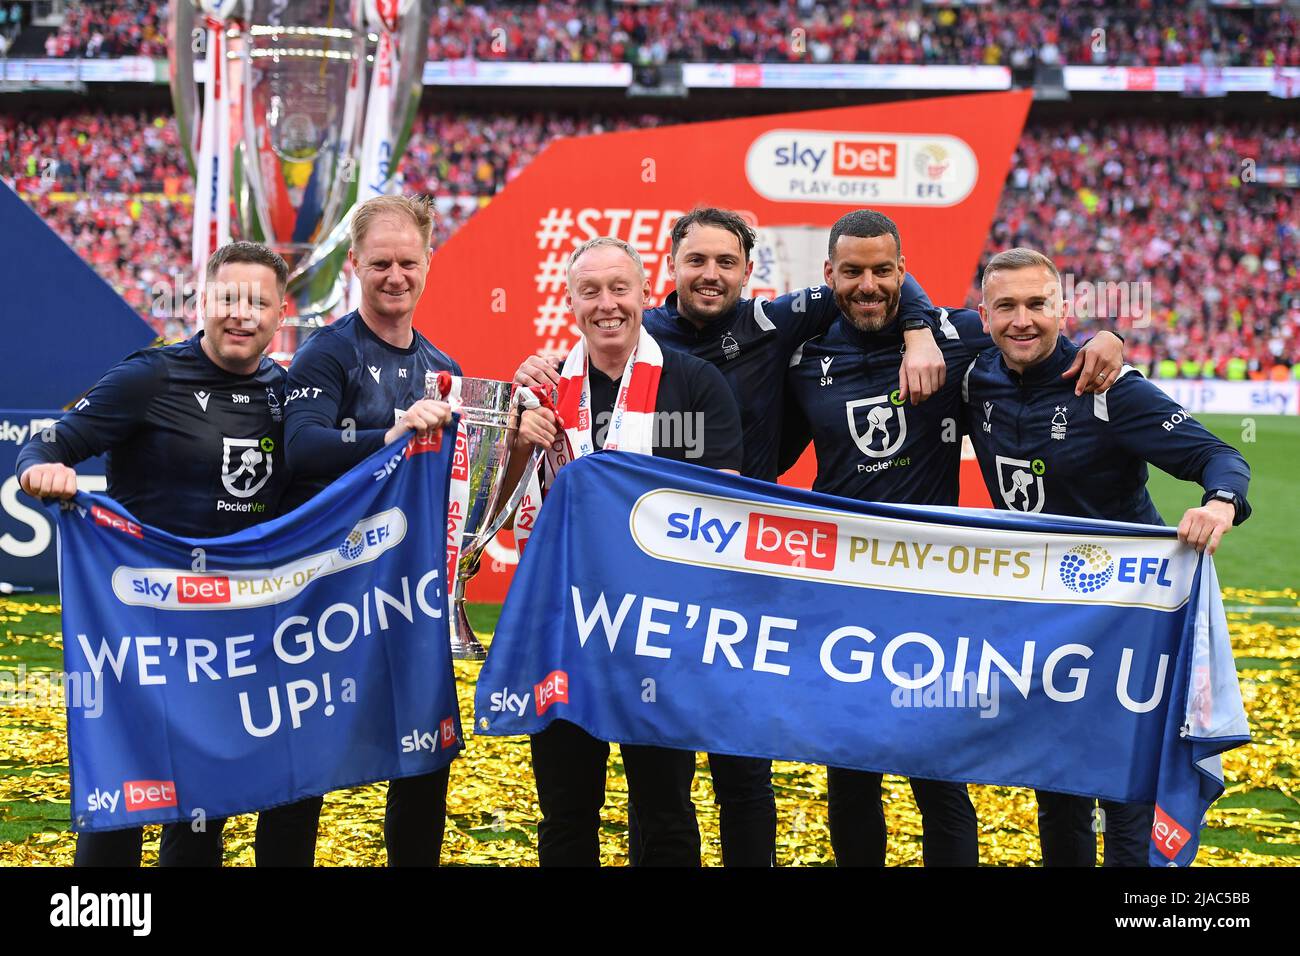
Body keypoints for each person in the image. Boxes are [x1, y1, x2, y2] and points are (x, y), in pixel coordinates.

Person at [515, 205, 949, 866]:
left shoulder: (773, 324)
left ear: (750, 271)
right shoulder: (634, 331)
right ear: (670, 270)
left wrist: (919, 329)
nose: (710, 274)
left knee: (739, 776)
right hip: (623, 604)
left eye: (725, 262)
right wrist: (536, 379)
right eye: (696, 261)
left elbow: (870, 274)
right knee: (642, 784)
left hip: (739, 584)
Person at [783, 210, 1128, 866]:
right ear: (829, 275)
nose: (868, 284)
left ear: (903, 272)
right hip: (842, 593)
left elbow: (1033, 332)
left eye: (884, 270)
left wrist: (1106, 337)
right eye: (852, 271)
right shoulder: (802, 353)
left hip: (929, 596)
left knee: (936, 776)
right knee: (848, 774)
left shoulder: (959, 337)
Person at [961, 246, 1252, 866]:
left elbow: (1220, 457)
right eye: (1005, 306)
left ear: (1062, 309)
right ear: (981, 315)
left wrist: (1219, 504)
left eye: (1038, 304)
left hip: (1128, 619)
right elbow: (896, 309)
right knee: (1057, 785)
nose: (1022, 320)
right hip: (1042, 617)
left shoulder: (1107, 388)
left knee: (1125, 790)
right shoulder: (974, 376)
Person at [15, 240, 291, 866]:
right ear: (203, 301)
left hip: (227, 640)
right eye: (228, 298)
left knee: (200, 817)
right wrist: (43, 472)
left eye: (258, 302)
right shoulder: (152, 375)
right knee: (123, 802)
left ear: (281, 313)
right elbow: (45, 446)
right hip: (139, 633)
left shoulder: (286, 393)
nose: (241, 314)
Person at [509, 235, 744, 866]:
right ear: (570, 301)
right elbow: (500, 516)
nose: (607, 305)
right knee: (565, 810)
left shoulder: (697, 384)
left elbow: (719, 512)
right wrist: (515, 445)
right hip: (567, 628)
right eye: (590, 291)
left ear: (645, 293)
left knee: (665, 808)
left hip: (659, 631)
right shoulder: (543, 393)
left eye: (620, 289)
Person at [280, 194, 458, 867]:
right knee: (304, 769)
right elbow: (301, 447)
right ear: (354, 263)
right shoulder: (326, 352)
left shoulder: (445, 367)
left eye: (407, 261)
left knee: (423, 758)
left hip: (404, 594)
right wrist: (391, 434)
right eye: (380, 262)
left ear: (427, 262)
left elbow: (456, 486)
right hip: (324, 592)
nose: (394, 275)